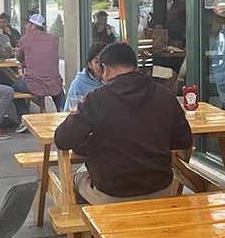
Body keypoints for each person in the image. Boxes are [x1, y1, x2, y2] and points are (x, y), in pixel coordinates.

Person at [55, 42, 191, 205]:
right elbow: (184, 140)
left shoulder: (97, 99)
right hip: (160, 189)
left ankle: (92, 228)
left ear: (104, 68)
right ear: (135, 66)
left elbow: (62, 139)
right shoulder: (165, 95)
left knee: (75, 180)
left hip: (112, 193)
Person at [13, 13, 64, 132]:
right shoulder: (54, 39)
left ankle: (24, 118)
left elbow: (20, 58)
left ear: (33, 26)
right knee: (58, 87)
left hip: (33, 83)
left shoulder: (25, 39)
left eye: (28, 23)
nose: (26, 26)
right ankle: (63, 111)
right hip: (54, 83)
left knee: (14, 88)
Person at [63, 42, 104, 110]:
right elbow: (68, 111)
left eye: (103, 61)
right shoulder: (78, 84)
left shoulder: (112, 82)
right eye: (97, 62)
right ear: (90, 64)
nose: (101, 65)